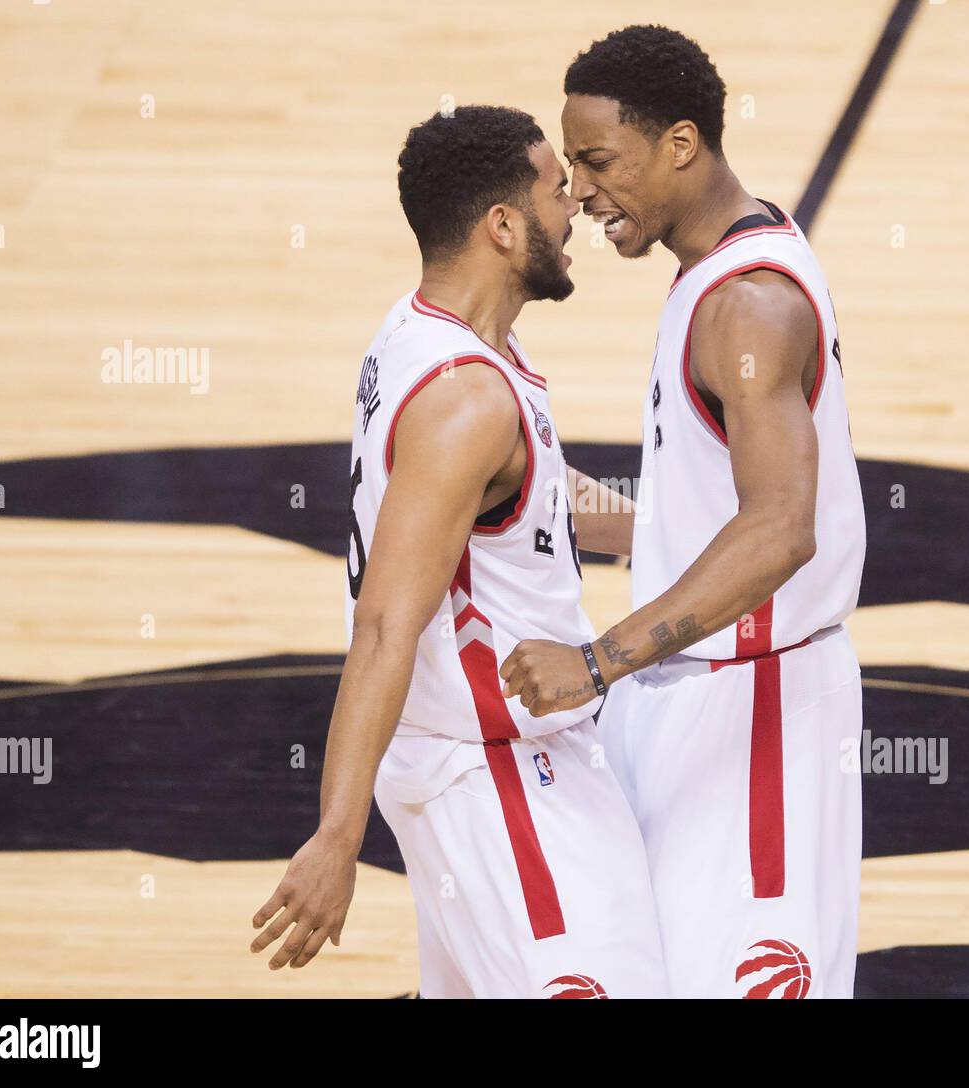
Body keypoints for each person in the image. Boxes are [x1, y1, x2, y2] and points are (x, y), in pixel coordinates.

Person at [251, 105, 667, 999]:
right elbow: (385, 625)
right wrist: (336, 835)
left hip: (480, 753)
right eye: (558, 188)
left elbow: (538, 496)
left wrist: (685, 524)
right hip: (493, 764)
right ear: (504, 226)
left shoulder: (428, 333)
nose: (578, 206)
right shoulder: (466, 402)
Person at [501, 26, 867, 998]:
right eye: (570, 164)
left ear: (679, 143)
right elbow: (692, 514)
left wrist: (593, 661)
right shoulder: (708, 279)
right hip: (690, 694)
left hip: (756, 712)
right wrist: (519, 497)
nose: (577, 190)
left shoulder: (748, 304)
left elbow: (783, 525)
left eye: (596, 161)